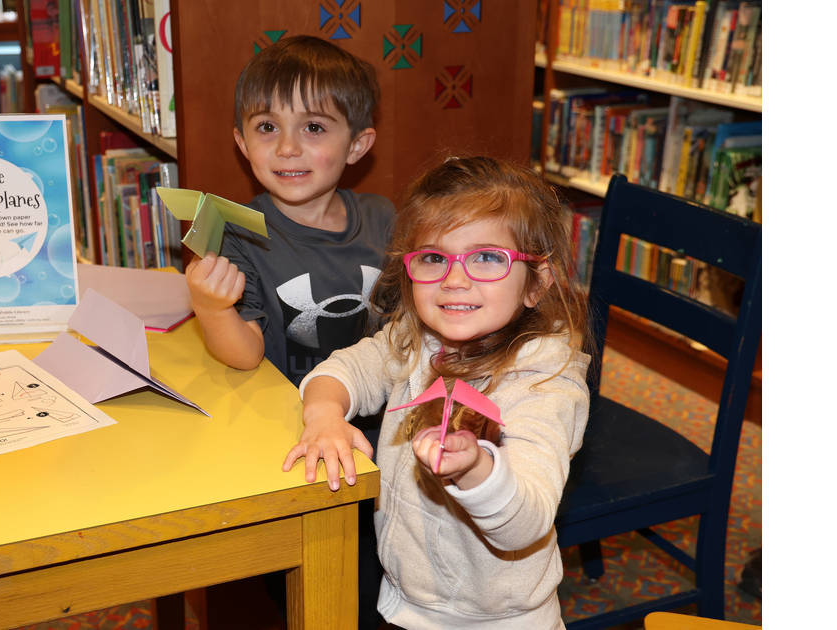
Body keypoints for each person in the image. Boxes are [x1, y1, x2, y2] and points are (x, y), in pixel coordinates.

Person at [282, 156, 592, 629]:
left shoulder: (545, 381)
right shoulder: (416, 337)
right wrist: (324, 414)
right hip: (409, 601)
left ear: (537, 282)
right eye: (433, 257)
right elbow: (350, 367)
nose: (454, 279)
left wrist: (477, 469)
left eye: (487, 257)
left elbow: (524, 523)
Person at [184, 35, 394, 630]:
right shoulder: (236, 234)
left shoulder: (382, 217)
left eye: (316, 128)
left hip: (382, 420)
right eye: (267, 127)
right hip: (295, 435)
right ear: (241, 141)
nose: (289, 147)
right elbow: (244, 354)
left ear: (359, 144)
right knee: (332, 586)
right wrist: (210, 307)